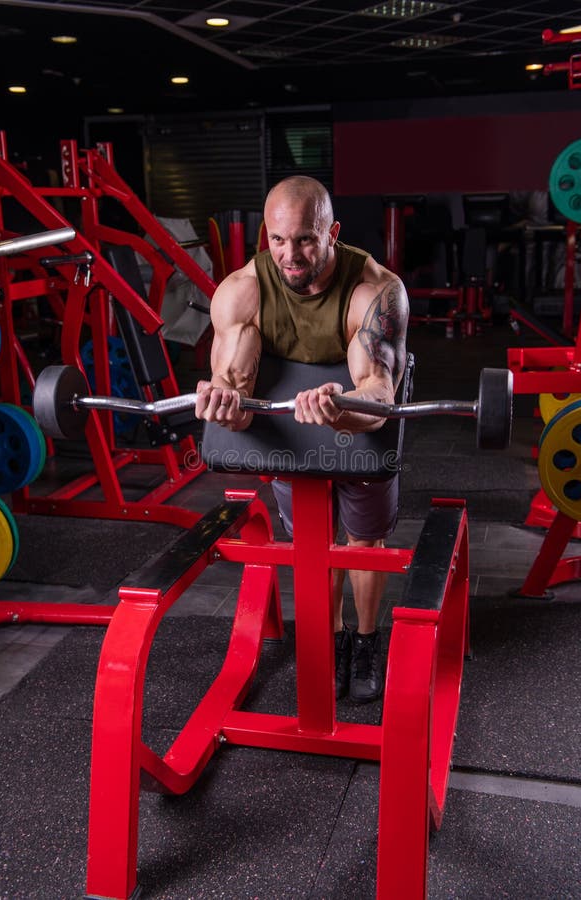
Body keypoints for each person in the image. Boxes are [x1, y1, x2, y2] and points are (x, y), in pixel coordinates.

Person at [194, 175, 409, 703]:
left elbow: (380, 394)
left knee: (362, 541)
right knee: (314, 541)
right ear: (265, 236)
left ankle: (365, 640)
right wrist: (226, 405)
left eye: (307, 240)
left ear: (332, 231)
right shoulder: (241, 291)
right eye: (278, 240)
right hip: (289, 430)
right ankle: (331, 638)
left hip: (354, 422)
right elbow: (234, 387)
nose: (291, 255)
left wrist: (343, 412)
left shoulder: (375, 290)